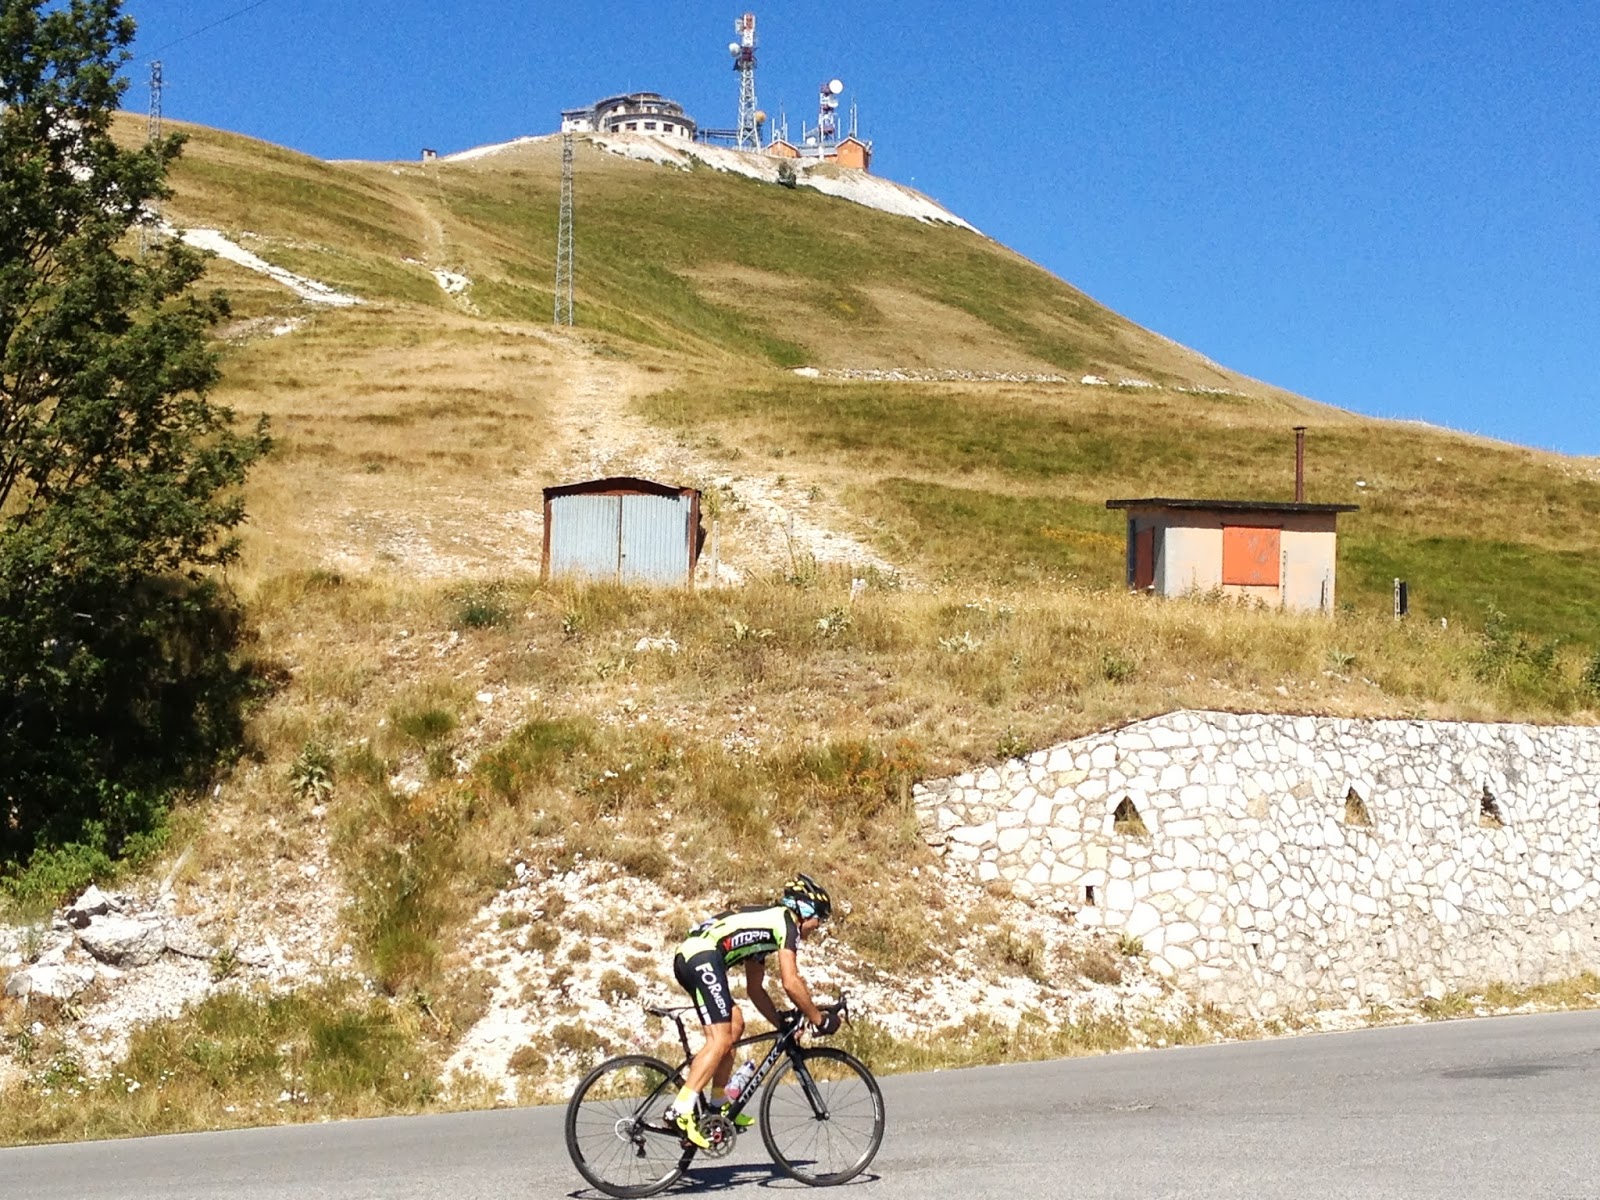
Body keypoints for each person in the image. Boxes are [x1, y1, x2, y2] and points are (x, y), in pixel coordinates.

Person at [664, 873, 840, 1148]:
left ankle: (718, 1103)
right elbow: (791, 982)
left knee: (735, 1025)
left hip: (696, 955)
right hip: (701, 956)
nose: (818, 927)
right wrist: (819, 1018)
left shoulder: (766, 929)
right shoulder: (785, 924)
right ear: (805, 911)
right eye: (819, 919)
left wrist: (781, 1024)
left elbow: (755, 989)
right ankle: (680, 1111)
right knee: (719, 1039)